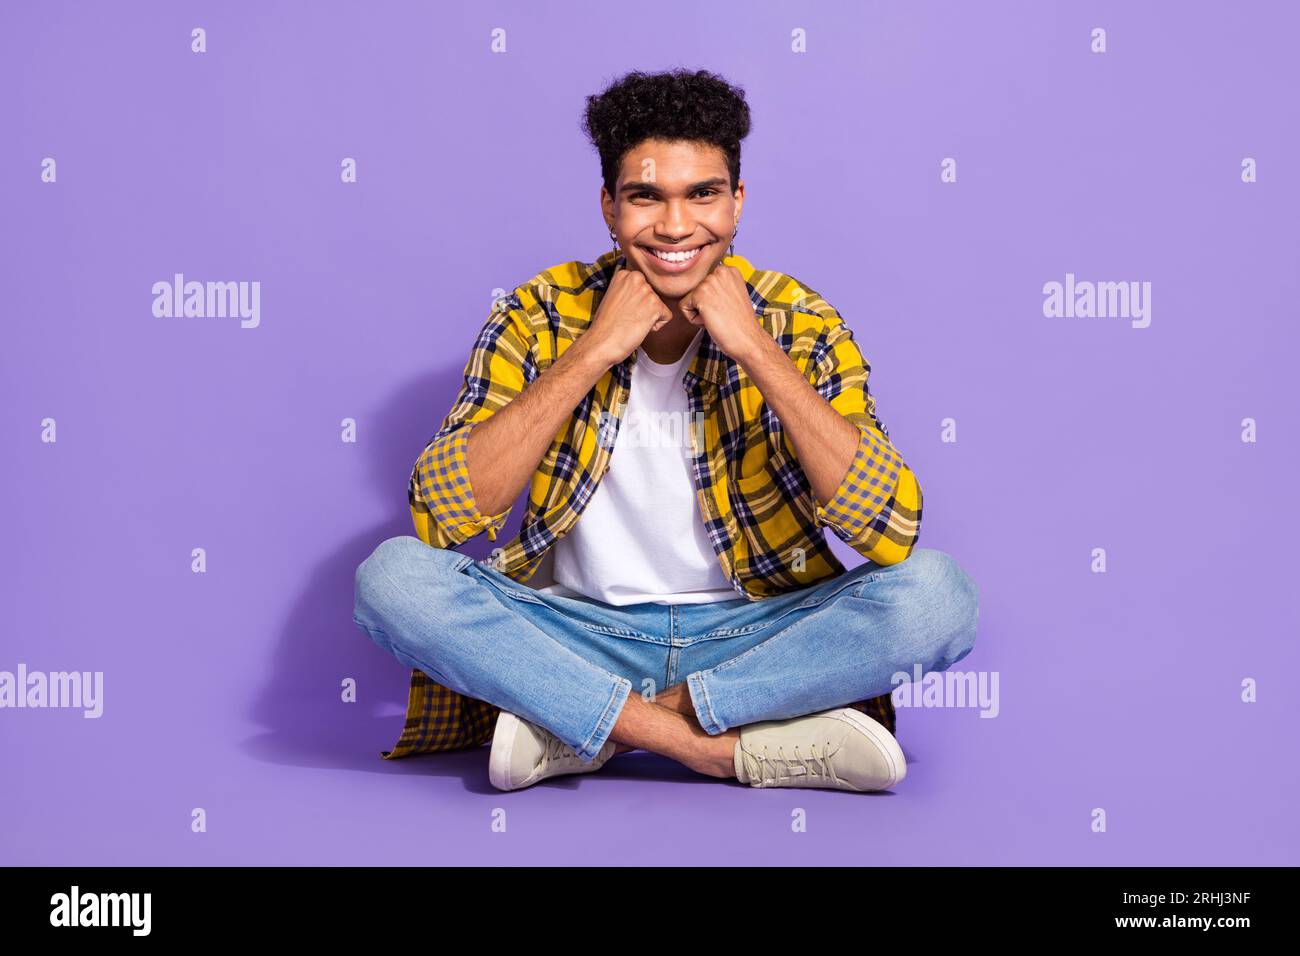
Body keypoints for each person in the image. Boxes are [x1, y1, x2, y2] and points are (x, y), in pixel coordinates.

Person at [353, 68, 978, 793]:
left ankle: (590, 727)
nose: (677, 226)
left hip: (753, 641)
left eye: (703, 194)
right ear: (609, 207)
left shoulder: (796, 319)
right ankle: (715, 749)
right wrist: (595, 350)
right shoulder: (538, 312)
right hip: (578, 634)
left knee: (939, 595)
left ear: (737, 202)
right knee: (392, 579)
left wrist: (755, 350)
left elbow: (890, 530)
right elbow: (440, 516)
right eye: (646, 196)